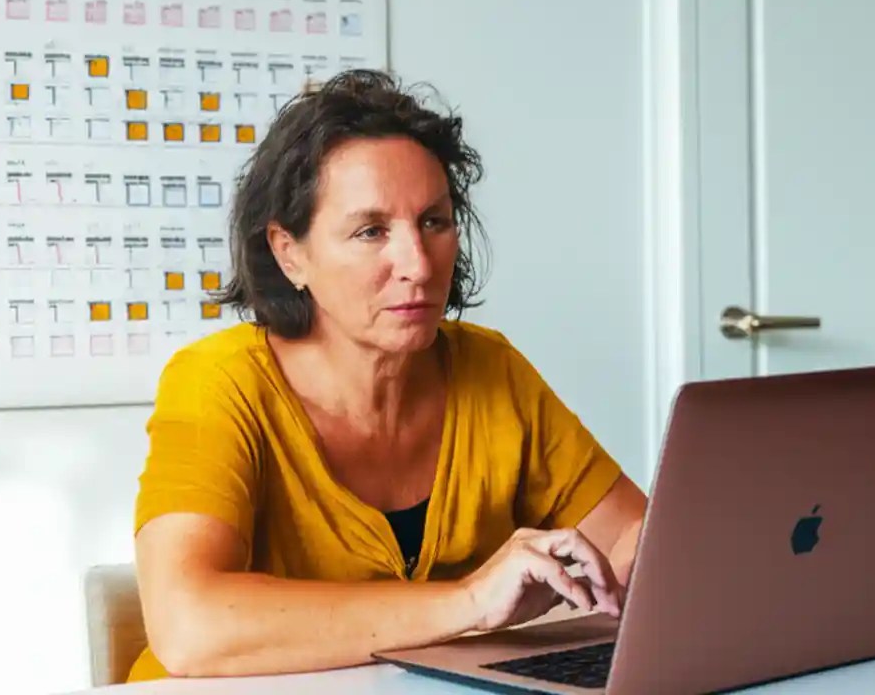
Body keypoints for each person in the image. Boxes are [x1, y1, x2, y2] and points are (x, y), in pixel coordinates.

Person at [128, 69, 647, 682]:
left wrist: (644, 562)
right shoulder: (217, 381)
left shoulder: (492, 368)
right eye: (371, 231)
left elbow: (637, 540)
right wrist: (472, 601)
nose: (418, 264)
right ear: (289, 252)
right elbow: (189, 626)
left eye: (434, 221)